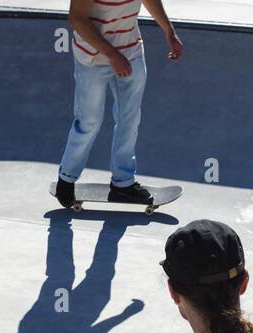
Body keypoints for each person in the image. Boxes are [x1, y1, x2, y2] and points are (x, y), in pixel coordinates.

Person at [53, 0, 182, 209]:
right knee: (89, 122)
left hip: (131, 51)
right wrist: (112, 54)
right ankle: (66, 179)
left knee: (129, 119)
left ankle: (123, 183)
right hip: (93, 58)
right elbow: (76, 18)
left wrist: (169, 29)